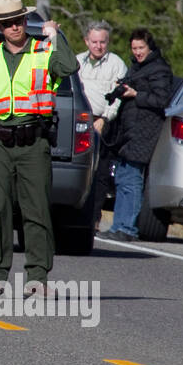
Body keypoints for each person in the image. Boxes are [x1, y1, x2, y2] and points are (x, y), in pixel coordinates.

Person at [0, 0, 78, 298]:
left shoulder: (43, 51)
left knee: (36, 209)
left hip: (34, 143)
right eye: (7, 23)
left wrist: (55, 34)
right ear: (0, 27)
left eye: (19, 21)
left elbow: (69, 67)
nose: (14, 27)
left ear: (26, 21)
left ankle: (37, 276)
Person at [101, 28, 174, 241]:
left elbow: (162, 101)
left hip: (145, 131)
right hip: (129, 130)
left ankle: (128, 229)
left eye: (141, 47)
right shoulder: (136, 67)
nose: (137, 52)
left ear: (149, 46)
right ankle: (118, 226)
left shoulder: (159, 69)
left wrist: (136, 94)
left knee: (132, 179)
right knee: (123, 177)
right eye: (134, 48)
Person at [76, 20, 128, 225]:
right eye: (94, 41)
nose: (98, 46)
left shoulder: (117, 64)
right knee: (79, 169)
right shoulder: (76, 61)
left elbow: (119, 96)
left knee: (100, 173)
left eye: (103, 42)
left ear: (108, 42)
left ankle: (94, 217)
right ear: (86, 41)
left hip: (103, 123)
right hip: (80, 121)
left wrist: (105, 118)